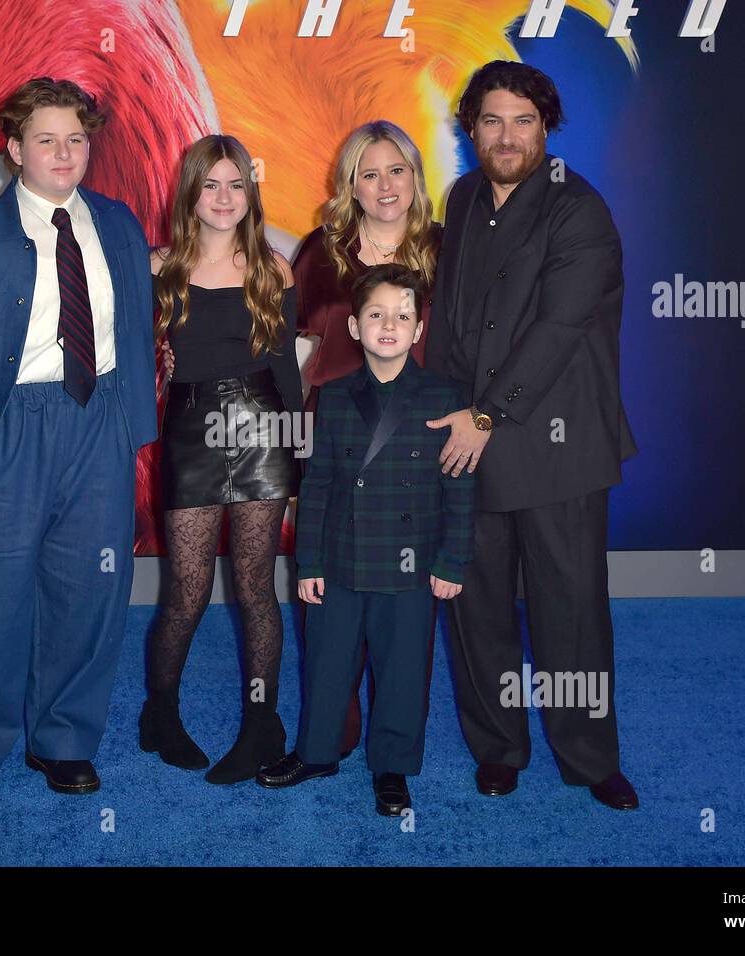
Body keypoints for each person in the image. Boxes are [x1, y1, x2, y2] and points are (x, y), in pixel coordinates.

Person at [0, 77, 157, 806]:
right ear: (14, 149)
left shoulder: (116, 224)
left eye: (76, 139)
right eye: (46, 139)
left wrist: (129, 426)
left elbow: (137, 330)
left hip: (98, 422)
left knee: (90, 590)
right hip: (4, 430)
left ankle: (65, 740)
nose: (64, 153)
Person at [423, 61, 640, 810]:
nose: (506, 135)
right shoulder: (461, 196)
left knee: (569, 610)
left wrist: (488, 414)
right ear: (471, 129)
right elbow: (450, 323)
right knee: (476, 603)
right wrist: (447, 416)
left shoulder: (578, 209)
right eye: (491, 120)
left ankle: (588, 757)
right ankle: (497, 747)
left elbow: (557, 328)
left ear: (546, 127)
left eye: (522, 120)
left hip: (555, 445)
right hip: (466, 440)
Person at [257, 264, 476, 816]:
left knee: (403, 672)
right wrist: (308, 563)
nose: (388, 325)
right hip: (341, 561)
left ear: (418, 329)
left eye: (403, 316)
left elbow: (460, 488)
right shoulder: (331, 398)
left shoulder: (444, 397)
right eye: (375, 314)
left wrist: (452, 562)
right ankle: (316, 753)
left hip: (412, 564)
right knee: (328, 665)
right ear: (354, 326)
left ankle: (393, 769)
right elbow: (319, 486)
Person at [140, 134, 302, 785]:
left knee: (256, 588)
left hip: (263, 429)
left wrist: (302, 463)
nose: (225, 197)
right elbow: (130, 351)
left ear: (250, 194)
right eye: (212, 184)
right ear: (191, 193)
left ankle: (262, 725)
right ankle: (161, 712)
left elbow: (288, 374)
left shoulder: (274, 268)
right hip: (190, 432)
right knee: (188, 591)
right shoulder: (157, 268)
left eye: (237, 185)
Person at [292, 119, 443, 758]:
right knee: (329, 599)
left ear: (416, 176)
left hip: (418, 448)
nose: (385, 185)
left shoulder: (448, 248)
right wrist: (290, 455)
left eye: (397, 169)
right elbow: (296, 354)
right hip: (332, 444)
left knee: (404, 617)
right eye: (369, 172)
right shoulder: (320, 252)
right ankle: (328, 736)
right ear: (349, 183)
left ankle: (394, 753)